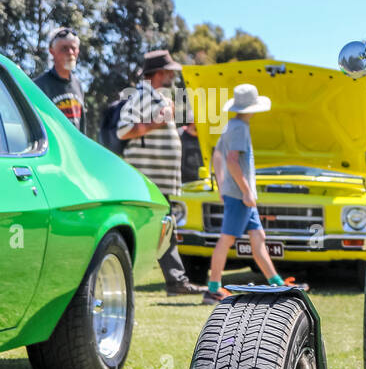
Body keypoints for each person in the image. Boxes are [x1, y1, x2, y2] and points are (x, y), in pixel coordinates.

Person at [205, 83, 309, 303]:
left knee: (258, 237)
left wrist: (223, 188)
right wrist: (245, 192)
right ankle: (213, 289)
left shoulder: (231, 125)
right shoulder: (239, 128)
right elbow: (232, 161)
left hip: (238, 194)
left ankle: (277, 284)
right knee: (226, 239)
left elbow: (217, 157)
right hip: (241, 196)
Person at [117, 49, 205, 295]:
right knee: (159, 226)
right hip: (148, 178)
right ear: (158, 73)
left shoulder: (156, 97)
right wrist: (156, 122)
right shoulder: (140, 96)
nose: (172, 76)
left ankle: (176, 281)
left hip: (158, 179)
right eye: (169, 72)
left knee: (165, 226)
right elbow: (123, 131)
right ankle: (175, 281)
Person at [32, 27, 88, 139]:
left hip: (75, 147)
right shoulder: (38, 86)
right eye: (64, 48)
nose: (70, 52)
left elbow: (82, 127)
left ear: (78, 51)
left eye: (73, 48)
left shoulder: (78, 85)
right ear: (52, 51)